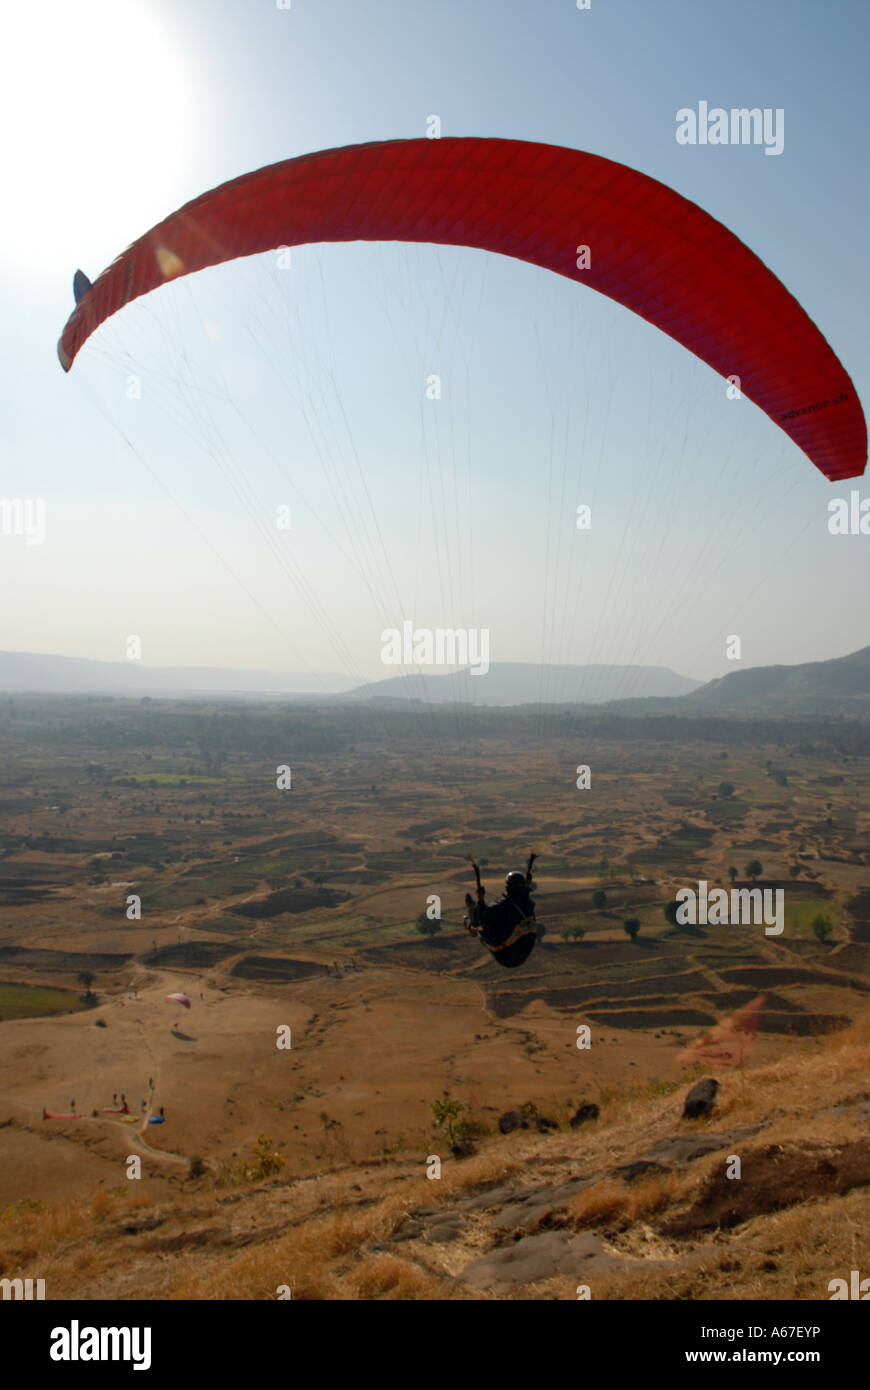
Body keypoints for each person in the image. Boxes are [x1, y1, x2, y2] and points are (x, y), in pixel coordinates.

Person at [465, 855, 538, 969]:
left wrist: (480, 900)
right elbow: (525, 893)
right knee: (503, 922)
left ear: (507, 887)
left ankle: (471, 925)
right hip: (522, 955)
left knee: (481, 926)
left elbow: (483, 917)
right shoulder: (528, 903)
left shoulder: (502, 906)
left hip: (506, 957)